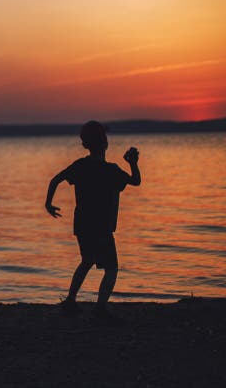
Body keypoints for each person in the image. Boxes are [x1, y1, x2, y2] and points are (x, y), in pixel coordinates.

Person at [45, 121, 140, 323]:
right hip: (102, 227)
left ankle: (70, 301)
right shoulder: (111, 170)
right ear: (105, 144)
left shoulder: (80, 166)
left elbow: (55, 179)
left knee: (87, 261)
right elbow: (136, 181)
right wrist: (132, 162)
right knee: (112, 268)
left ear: (85, 145)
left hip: (82, 226)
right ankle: (100, 308)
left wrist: (48, 203)